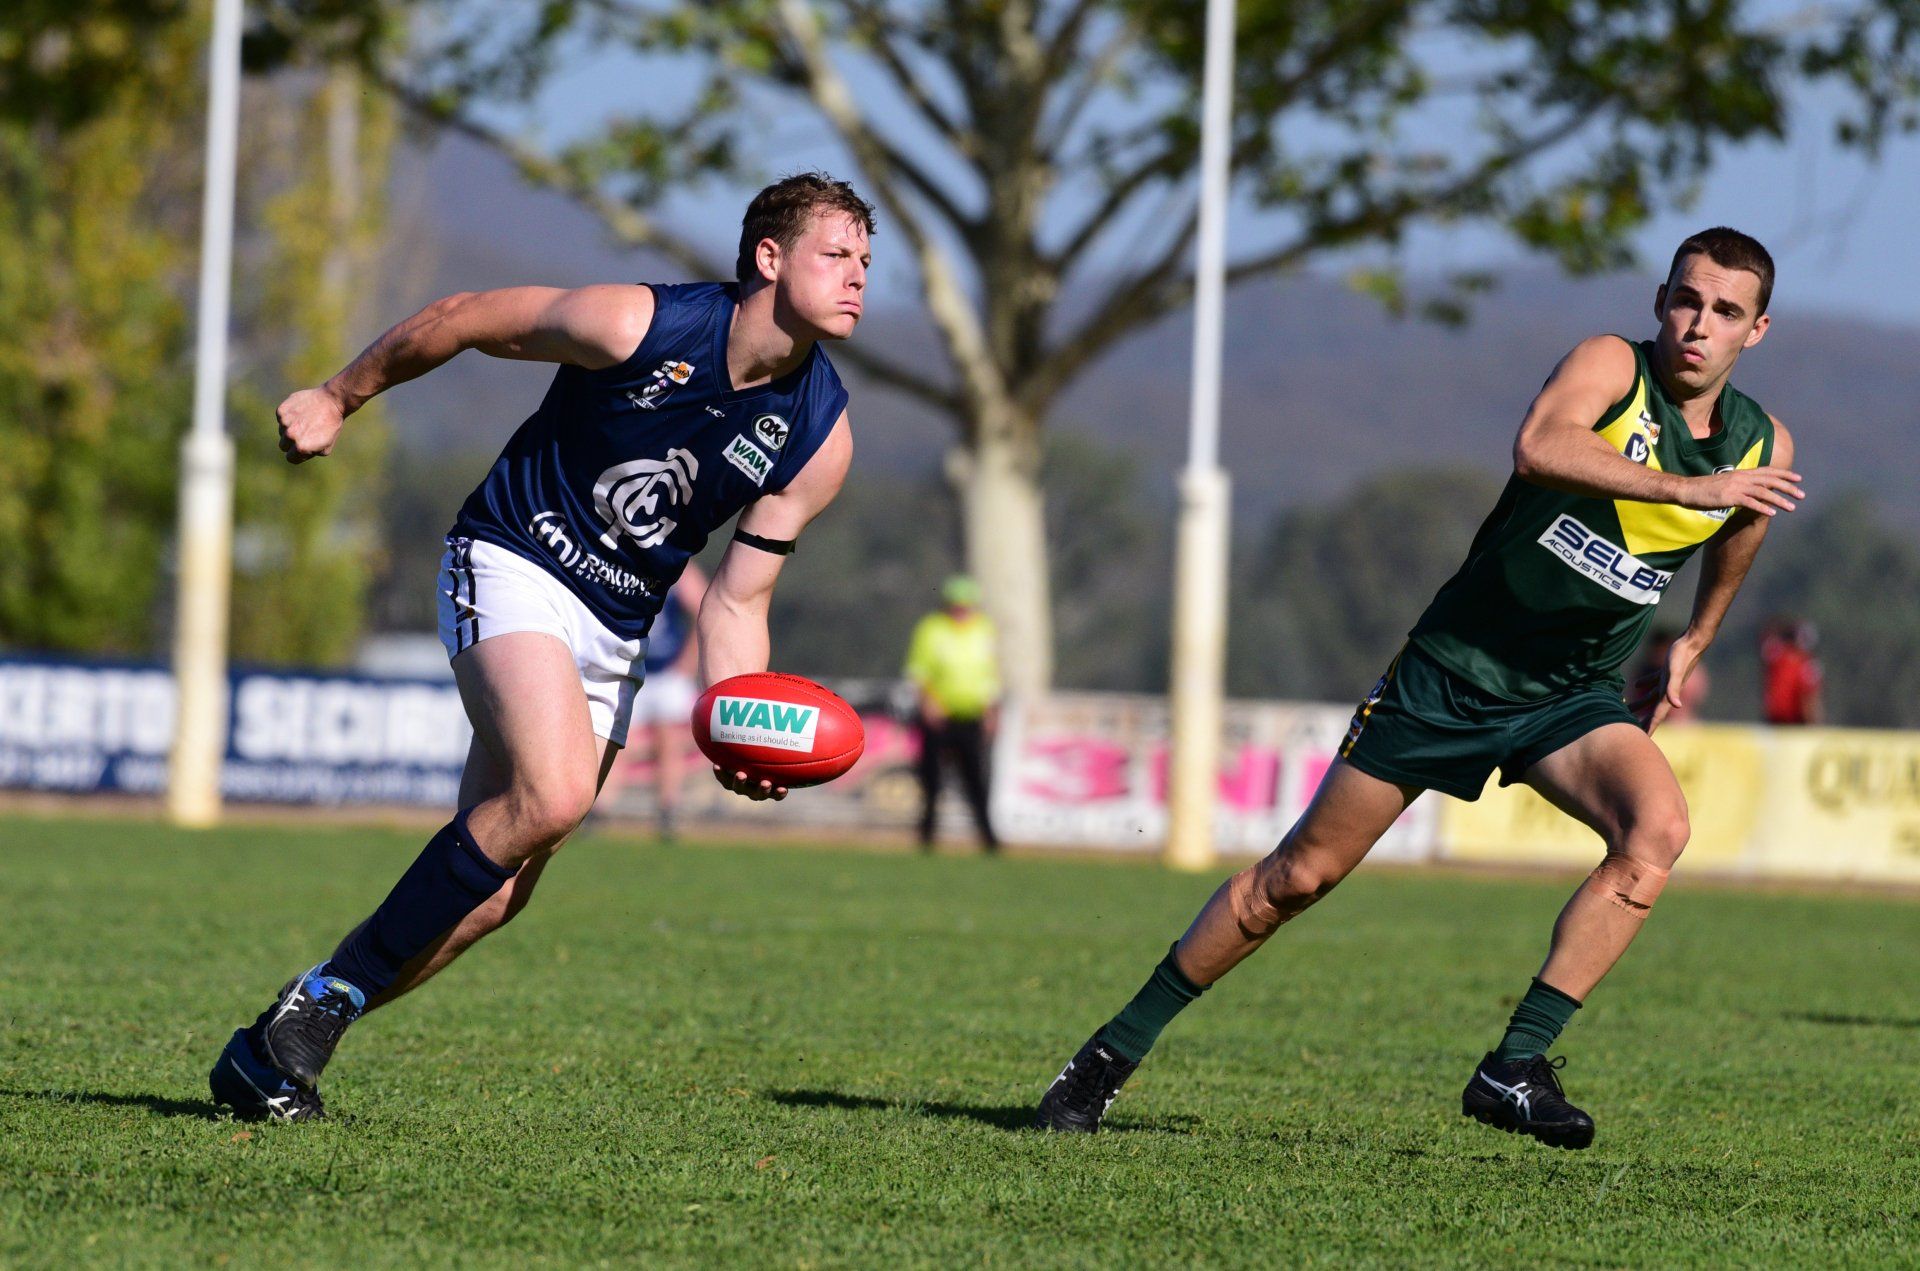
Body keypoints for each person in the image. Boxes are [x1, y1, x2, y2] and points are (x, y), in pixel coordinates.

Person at [1035, 227, 1802, 1147]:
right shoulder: (1612, 365)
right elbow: (1540, 446)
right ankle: (1110, 1053)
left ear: (1756, 330)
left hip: (1572, 694)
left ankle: (1514, 1065)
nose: (1699, 324)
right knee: (1296, 878)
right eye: (1687, 299)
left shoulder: (1760, 440)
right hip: (1454, 671)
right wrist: (1683, 488)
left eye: (1725, 311)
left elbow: (1744, 525)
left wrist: (1699, 635)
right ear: (1660, 300)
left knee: (1658, 830)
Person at [209, 173, 873, 1122]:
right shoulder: (637, 324)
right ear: (769, 258)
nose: (857, 276)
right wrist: (337, 395)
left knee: (495, 895)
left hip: (616, 626)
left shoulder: (819, 435)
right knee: (553, 793)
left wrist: (739, 721)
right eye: (836, 254)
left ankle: (282, 1042)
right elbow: (465, 316)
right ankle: (319, 1004)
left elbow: (737, 600)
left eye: (865, 261)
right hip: (514, 555)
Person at [603, 563, 708, 841]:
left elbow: (704, 608)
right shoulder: (618, 560)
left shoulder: (678, 565)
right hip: (626, 668)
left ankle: (668, 809)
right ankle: (598, 809)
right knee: (613, 739)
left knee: (669, 742)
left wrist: (689, 659)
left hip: (667, 672)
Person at [904, 575, 1002, 852]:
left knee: (976, 781)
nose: (961, 610)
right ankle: (927, 839)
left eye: (966, 605)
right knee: (932, 780)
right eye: (957, 605)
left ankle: (989, 841)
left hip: (971, 716)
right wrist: (928, 703)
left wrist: (991, 710)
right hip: (938, 718)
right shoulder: (931, 629)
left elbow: (990, 675)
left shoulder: (984, 629)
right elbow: (919, 670)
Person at [1630, 628, 1709, 724]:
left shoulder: (1690, 672)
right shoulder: (1644, 673)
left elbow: (1693, 698)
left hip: (1681, 725)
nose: (1660, 655)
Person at [1760, 618, 1824, 724]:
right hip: (1794, 723)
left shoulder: (1777, 657)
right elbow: (1809, 699)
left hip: (1773, 721)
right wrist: (1814, 726)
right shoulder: (1806, 664)